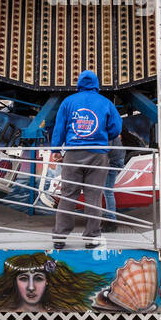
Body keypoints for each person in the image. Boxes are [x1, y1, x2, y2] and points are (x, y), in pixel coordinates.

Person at [48, 69, 122, 251]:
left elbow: (59, 128)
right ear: (96, 84)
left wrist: (56, 149)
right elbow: (116, 127)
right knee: (93, 197)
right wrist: (103, 136)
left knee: (68, 196)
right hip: (98, 155)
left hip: (73, 153)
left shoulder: (68, 102)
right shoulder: (105, 102)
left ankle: (59, 237)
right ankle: (92, 237)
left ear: (79, 83)